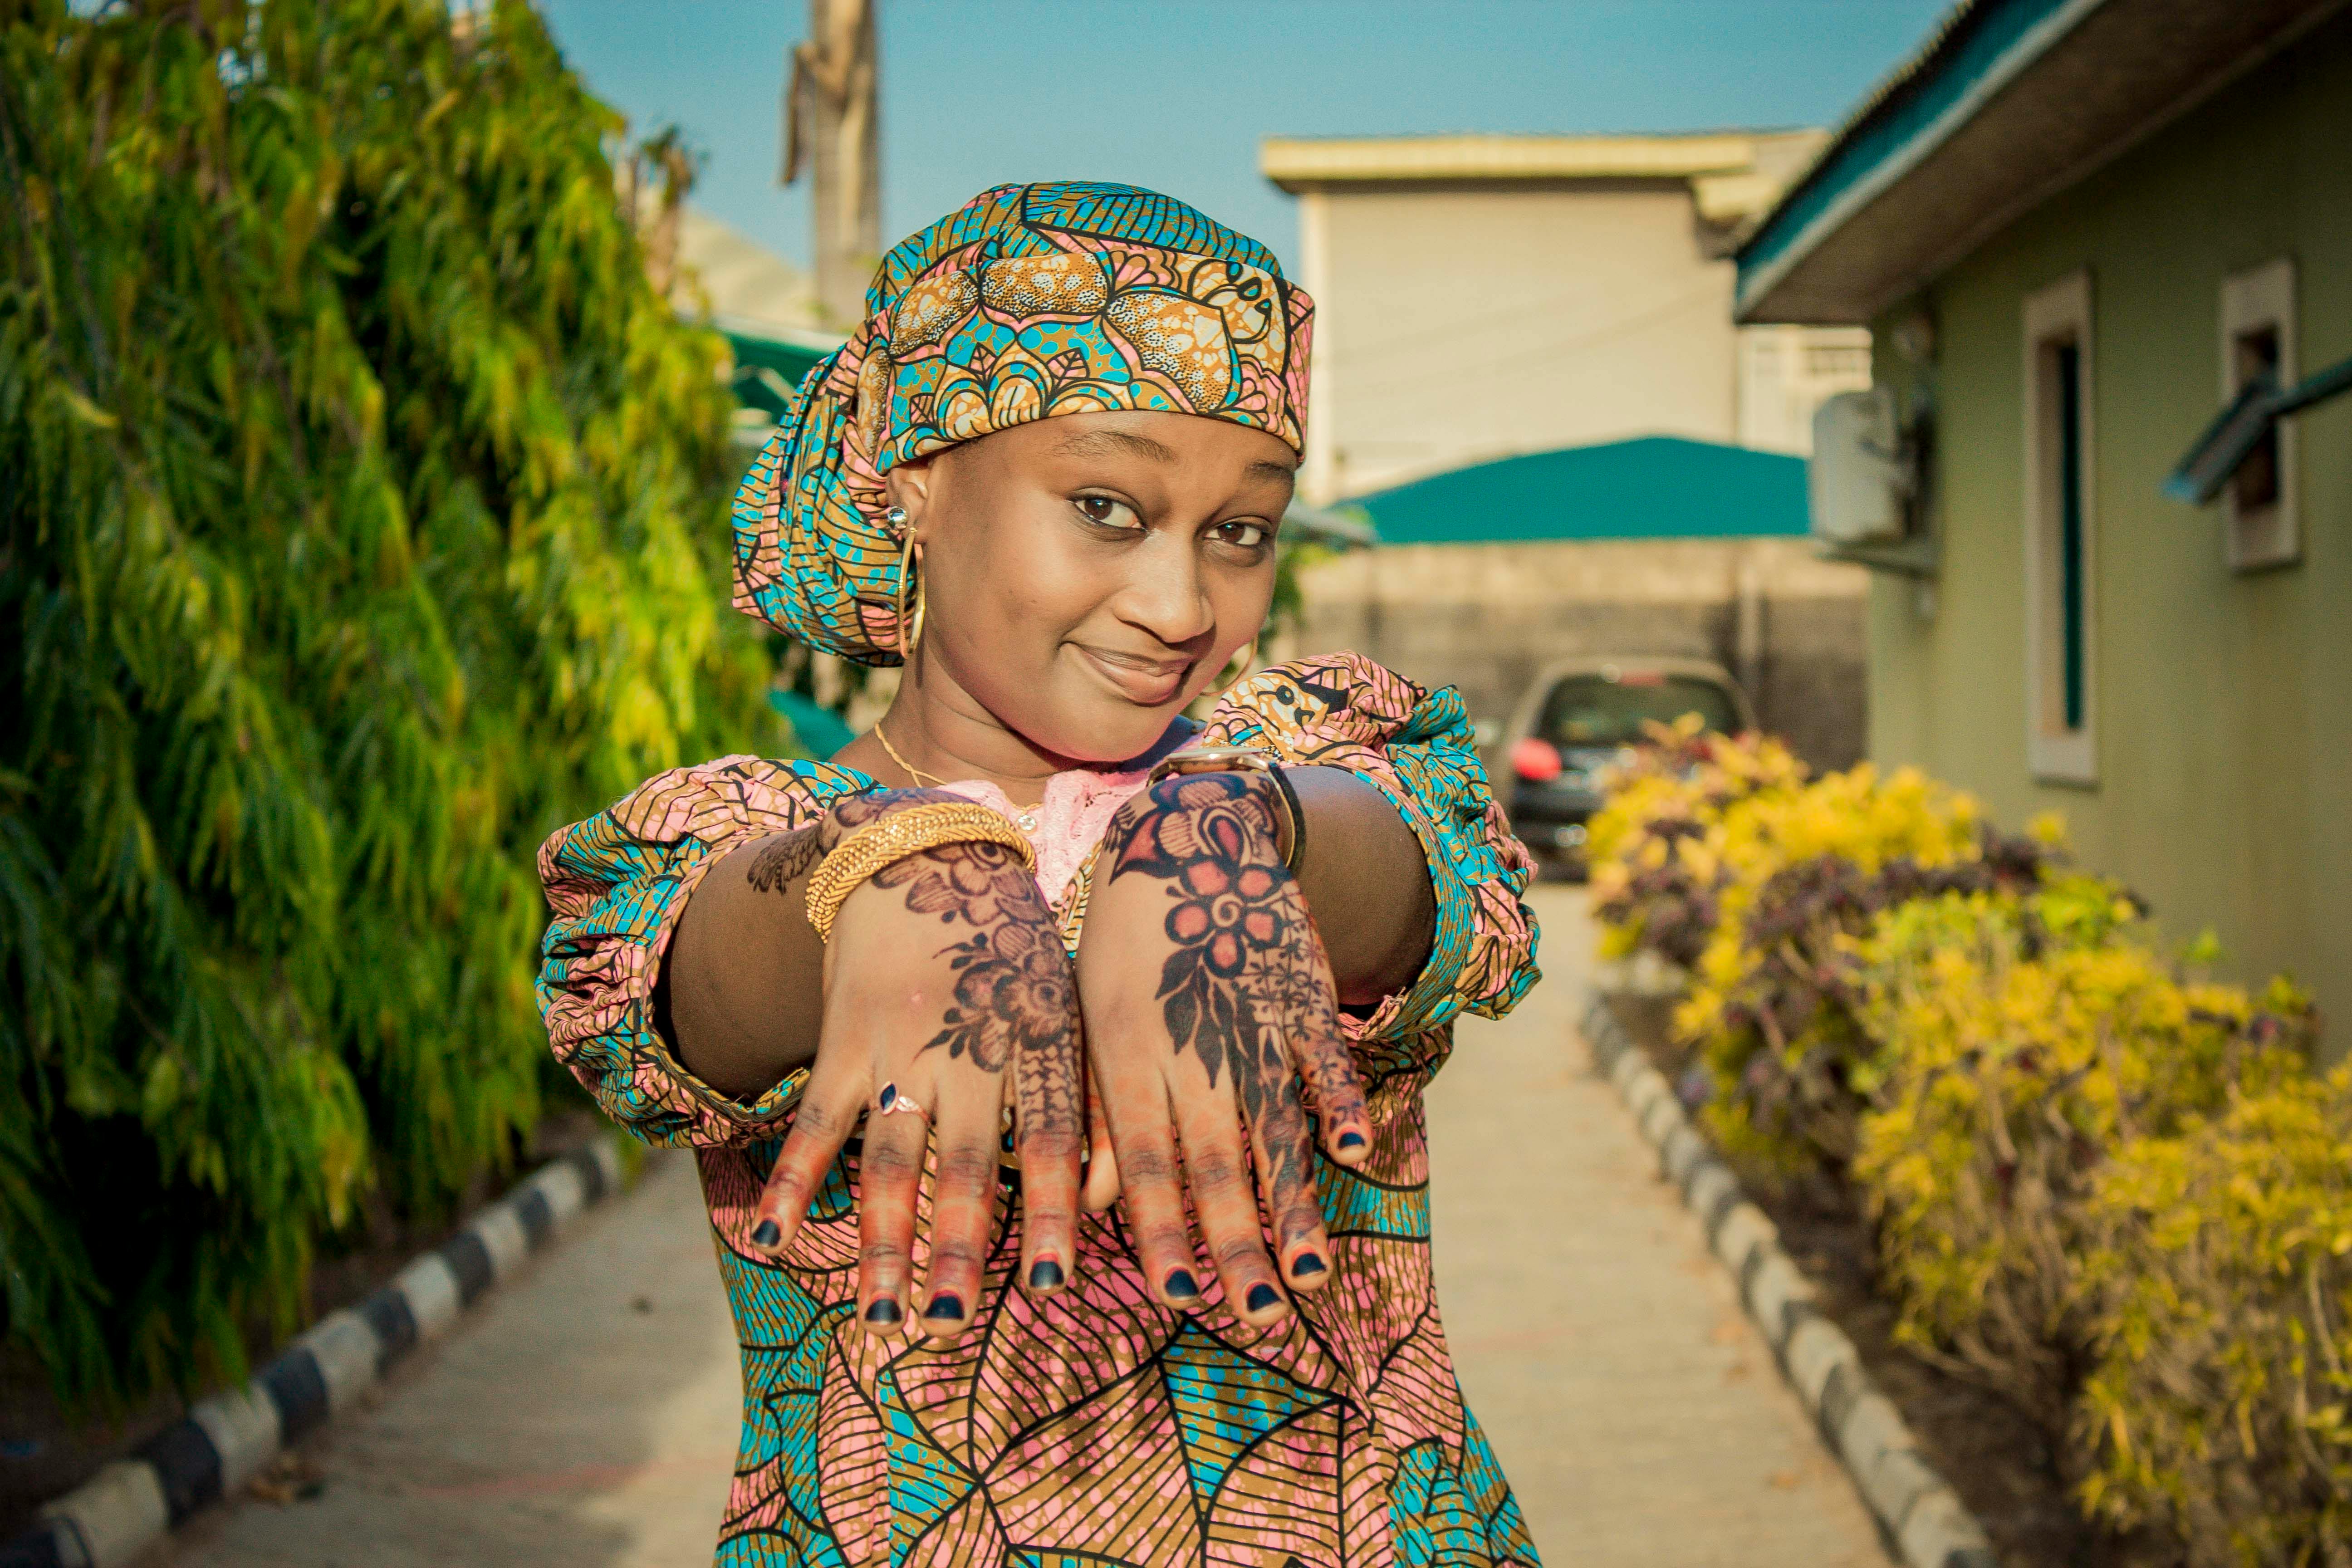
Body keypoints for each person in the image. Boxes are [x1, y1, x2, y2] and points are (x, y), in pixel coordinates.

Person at [537, 181, 1542, 1568]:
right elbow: (686, 978)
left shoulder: (1302, 776)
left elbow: (1418, 872)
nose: (1183, 609)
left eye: (1240, 532)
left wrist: (1219, 838)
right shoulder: (745, 834)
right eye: (1106, 508)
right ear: (918, 486)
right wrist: (892, 873)